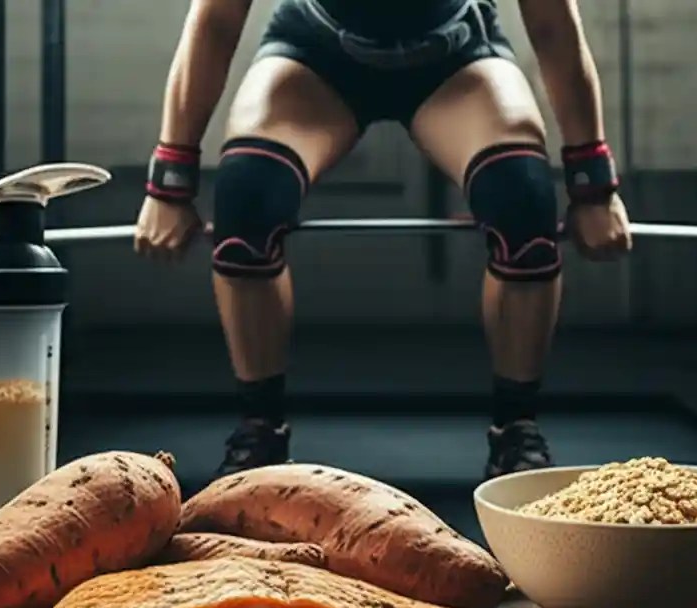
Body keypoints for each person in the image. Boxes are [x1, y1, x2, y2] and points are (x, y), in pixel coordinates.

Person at [135, 0, 632, 483]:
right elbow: (217, 18)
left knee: (521, 198)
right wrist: (170, 186)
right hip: (316, 55)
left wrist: (593, 188)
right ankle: (258, 432)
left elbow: (551, 23)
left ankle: (516, 430)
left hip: (455, 59)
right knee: (248, 195)